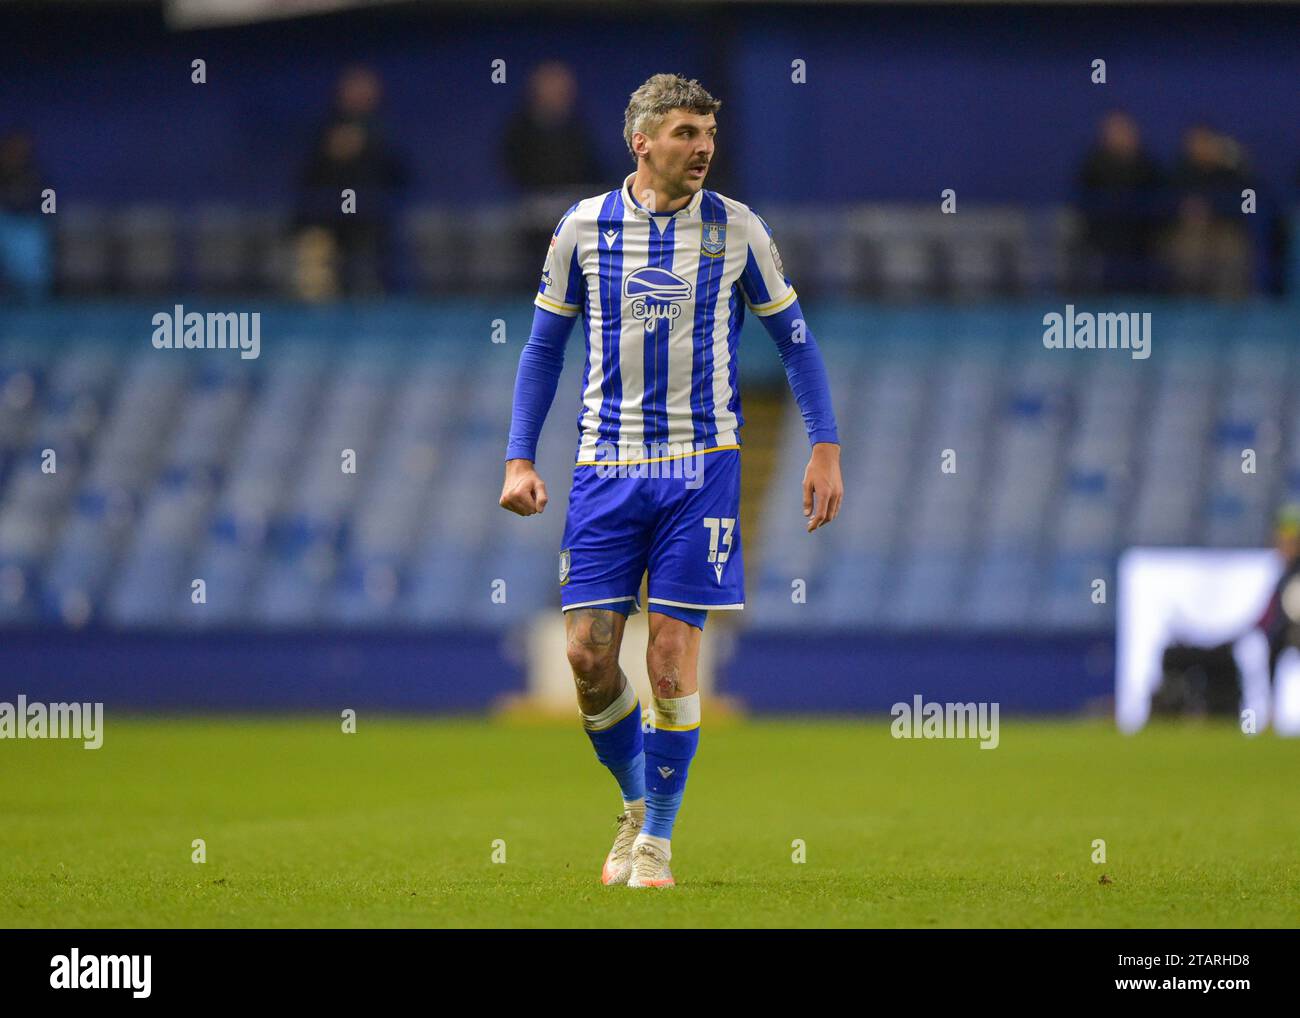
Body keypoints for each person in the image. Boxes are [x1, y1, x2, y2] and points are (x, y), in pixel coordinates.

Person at [498, 74, 843, 888]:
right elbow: (543, 349)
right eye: (686, 132)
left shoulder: (738, 230)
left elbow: (795, 342)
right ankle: (635, 799)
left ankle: (657, 839)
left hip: (702, 470)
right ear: (641, 141)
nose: (703, 148)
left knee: (670, 655)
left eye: (709, 133)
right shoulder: (581, 230)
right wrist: (519, 456)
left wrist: (824, 446)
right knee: (587, 655)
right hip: (605, 470)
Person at [1075, 110, 1164, 292]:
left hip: (1140, 233)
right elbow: (1084, 198)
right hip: (1102, 231)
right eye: (1115, 131)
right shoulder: (1093, 164)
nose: (1120, 136)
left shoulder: (1146, 164)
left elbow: (1157, 198)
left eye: (1124, 131)